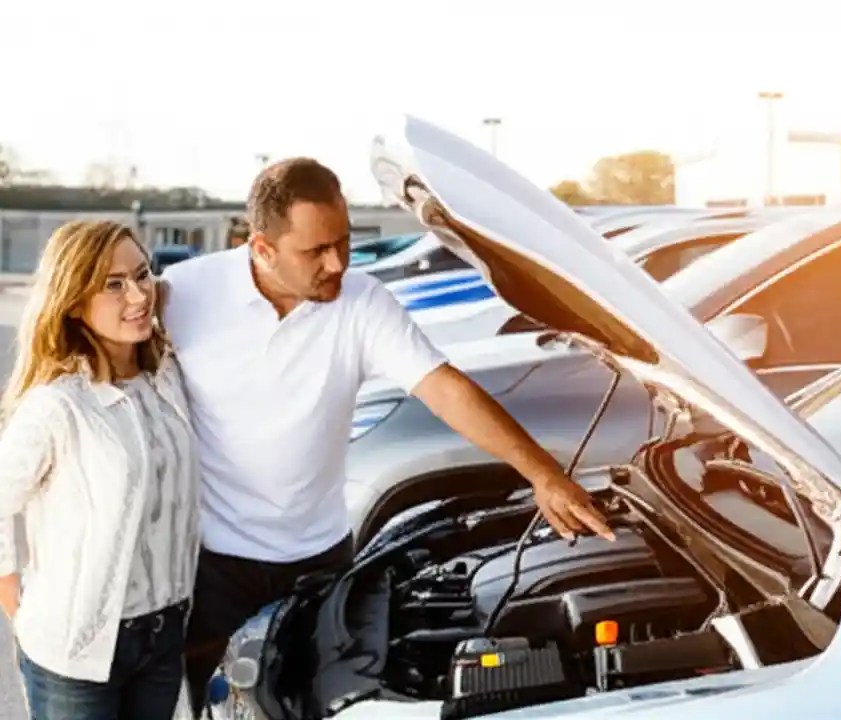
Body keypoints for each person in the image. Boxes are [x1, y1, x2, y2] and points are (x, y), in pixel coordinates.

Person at [162, 157, 615, 712]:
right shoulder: (182, 295)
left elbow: (446, 389)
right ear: (261, 248)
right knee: (220, 710)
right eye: (315, 252)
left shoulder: (361, 302)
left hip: (317, 564)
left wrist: (543, 475)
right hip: (214, 567)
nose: (337, 263)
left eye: (344, 242)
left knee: (317, 707)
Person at [0, 220, 201, 719]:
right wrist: (20, 610)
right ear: (72, 300)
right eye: (112, 284)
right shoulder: (57, 404)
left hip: (163, 637)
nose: (138, 295)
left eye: (143, 274)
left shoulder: (168, 378)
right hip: (76, 656)